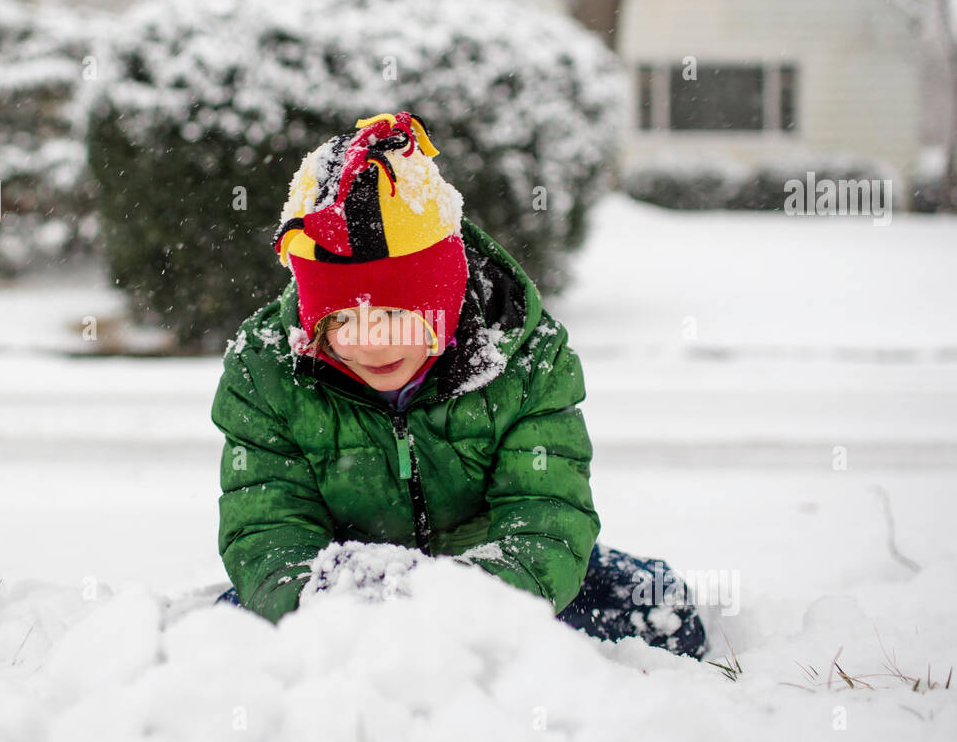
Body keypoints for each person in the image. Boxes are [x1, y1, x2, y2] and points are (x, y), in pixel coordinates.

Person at [210, 111, 707, 659]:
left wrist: (451, 612)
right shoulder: (265, 368)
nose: (370, 343)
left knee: (665, 611)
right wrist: (340, 608)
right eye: (341, 320)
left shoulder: (526, 358)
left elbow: (545, 517)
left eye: (397, 315)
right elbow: (267, 527)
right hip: (345, 584)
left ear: (444, 304)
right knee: (228, 639)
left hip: (493, 580)